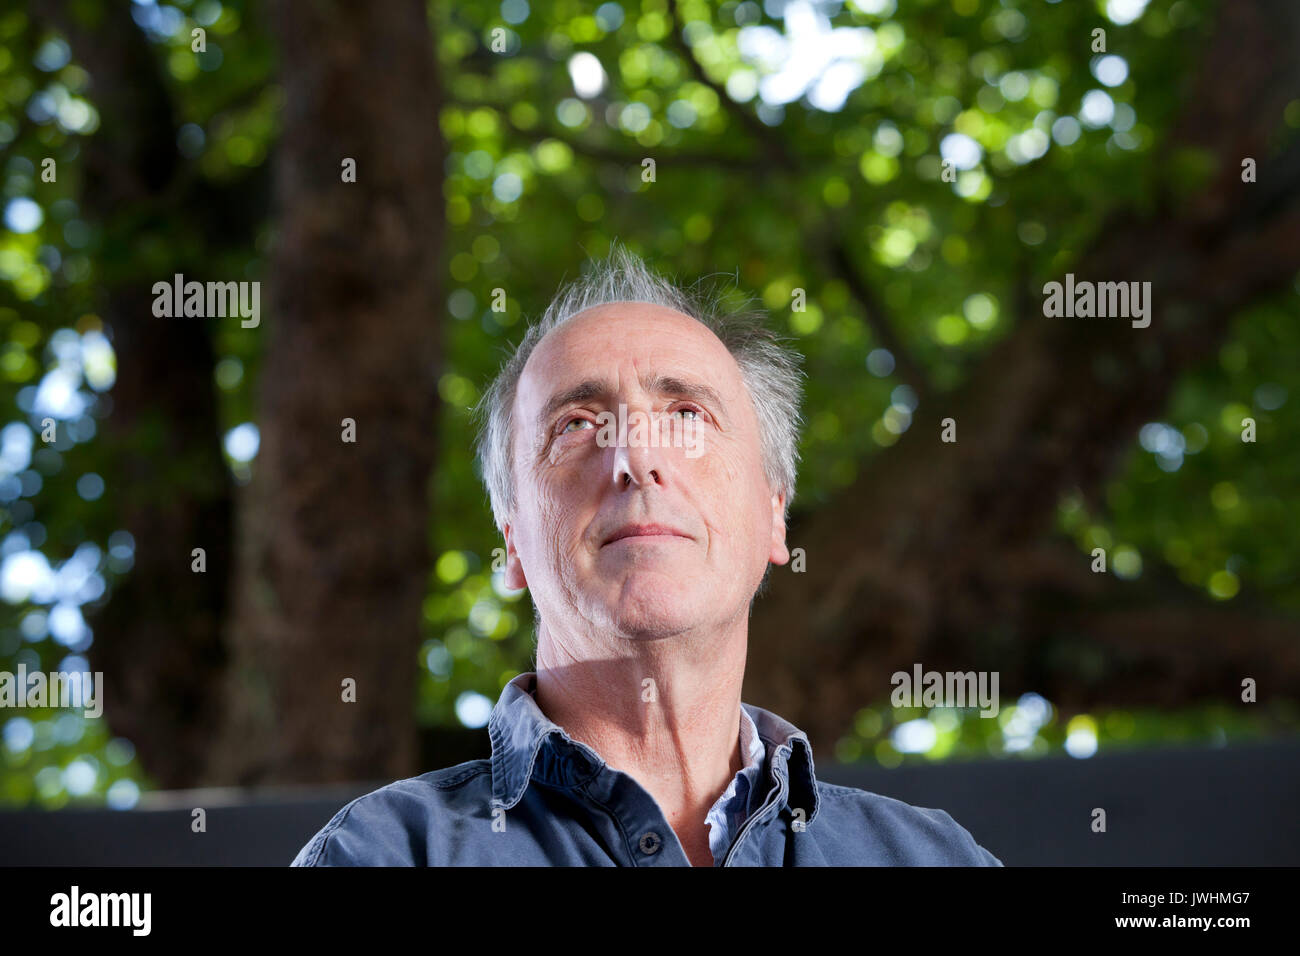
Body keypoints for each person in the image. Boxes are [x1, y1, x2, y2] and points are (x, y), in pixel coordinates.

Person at [291, 243, 1002, 866]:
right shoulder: (382, 857)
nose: (636, 457)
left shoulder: (934, 859)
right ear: (511, 541)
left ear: (773, 513)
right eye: (576, 425)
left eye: (688, 417)